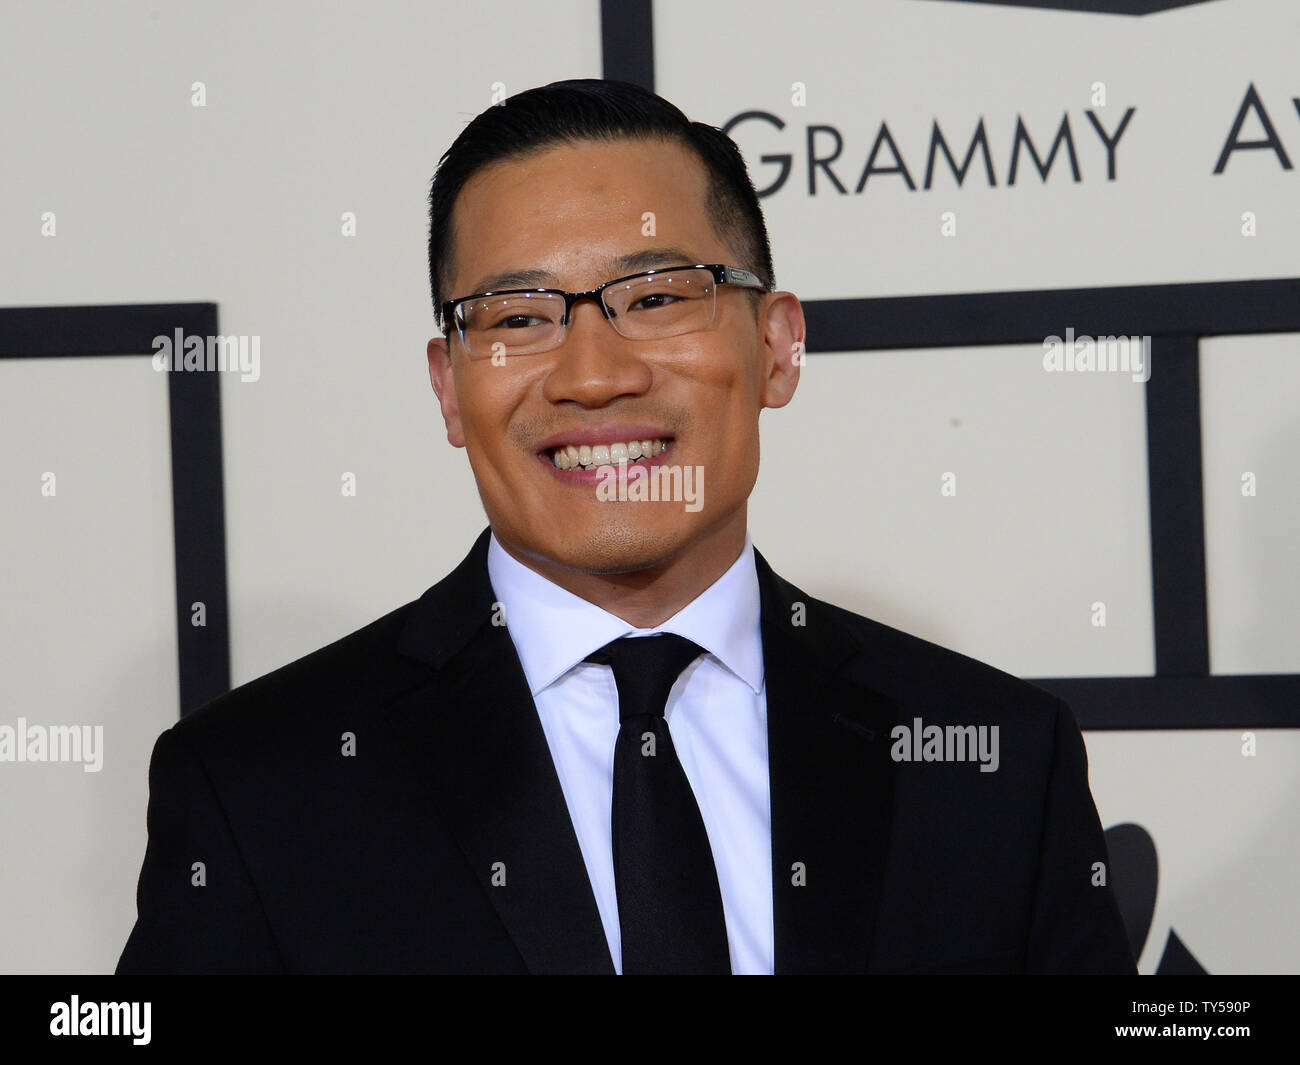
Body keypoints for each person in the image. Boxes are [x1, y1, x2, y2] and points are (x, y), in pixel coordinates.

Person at [117, 79, 1136, 975]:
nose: (594, 374)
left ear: (778, 346)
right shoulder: (261, 790)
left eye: (655, 296)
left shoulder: (997, 761)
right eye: (517, 318)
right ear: (447, 388)